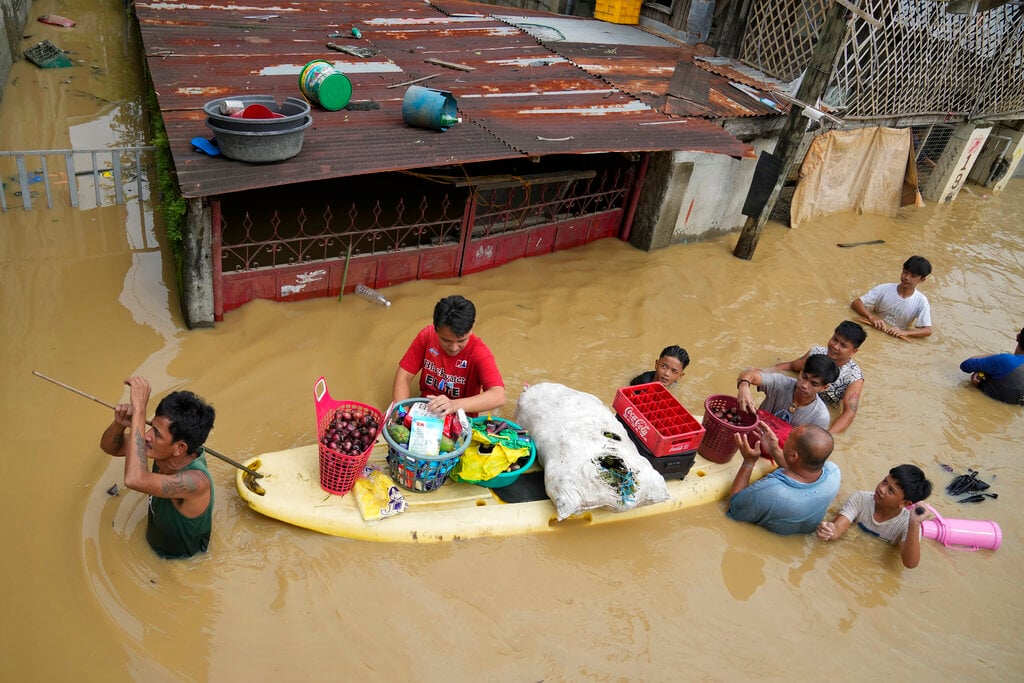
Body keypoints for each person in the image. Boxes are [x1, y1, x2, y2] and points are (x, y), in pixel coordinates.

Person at [99, 377, 216, 559]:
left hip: (180, 563)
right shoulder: (161, 451)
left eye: (157, 434)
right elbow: (110, 447)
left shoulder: (196, 482)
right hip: (154, 543)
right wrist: (120, 424)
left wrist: (139, 411)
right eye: (151, 426)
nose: (146, 436)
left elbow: (134, 479)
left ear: (180, 448)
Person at [393, 294, 506, 416]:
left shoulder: (479, 352)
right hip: (426, 408)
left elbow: (498, 396)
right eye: (446, 340)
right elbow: (403, 377)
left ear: (471, 328)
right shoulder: (427, 336)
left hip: (461, 415)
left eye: (461, 341)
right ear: (436, 329)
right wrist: (402, 415)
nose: (453, 348)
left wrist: (453, 405)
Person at [727, 422, 840, 535]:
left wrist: (749, 462)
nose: (785, 440)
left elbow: (735, 508)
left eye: (788, 438)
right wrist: (774, 450)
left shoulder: (770, 491)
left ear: (794, 456)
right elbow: (800, 471)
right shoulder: (834, 472)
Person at [816, 464, 934, 569]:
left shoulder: (908, 524)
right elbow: (837, 529)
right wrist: (828, 530)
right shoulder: (861, 499)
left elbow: (910, 564)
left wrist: (914, 524)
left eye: (890, 490)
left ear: (905, 504)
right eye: (884, 481)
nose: (881, 489)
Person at [773, 321, 867, 433]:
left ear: (854, 351)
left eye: (843, 346)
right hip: (796, 399)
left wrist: (825, 435)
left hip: (817, 414)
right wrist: (763, 372)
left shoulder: (854, 377)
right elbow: (791, 366)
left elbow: (849, 413)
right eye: (835, 339)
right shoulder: (816, 353)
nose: (835, 346)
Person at [736, 354, 839, 430]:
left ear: (824, 388)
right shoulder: (781, 382)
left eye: (814, 384)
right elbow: (749, 374)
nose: (804, 385)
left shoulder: (820, 416)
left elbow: (805, 448)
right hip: (754, 432)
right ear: (801, 371)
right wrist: (744, 386)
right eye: (804, 377)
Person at [850, 255, 933, 339]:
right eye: (905, 272)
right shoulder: (884, 288)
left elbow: (927, 330)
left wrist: (905, 333)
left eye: (913, 276)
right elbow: (856, 303)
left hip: (896, 336)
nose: (907, 278)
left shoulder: (922, 301)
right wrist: (871, 317)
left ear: (922, 280)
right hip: (873, 327)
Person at [959, 326, 1024, 405]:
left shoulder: (1005, 360)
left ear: (1017, 337)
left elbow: (966, 365)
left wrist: (994, 357)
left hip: (980, 405)